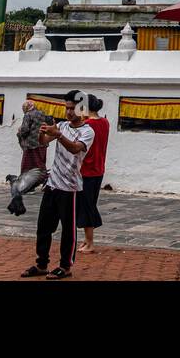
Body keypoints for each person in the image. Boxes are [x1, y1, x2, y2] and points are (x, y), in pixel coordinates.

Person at [22, 91, 95, 279]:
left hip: (70, 188)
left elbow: (75, 148)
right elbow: (44, 143)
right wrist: (42, 134)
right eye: (67, 108)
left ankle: (65, 266)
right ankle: (41, 264)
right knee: (43, 226)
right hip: (53, 183)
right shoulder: (61, 125)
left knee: (68, 230)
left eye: (73, 108)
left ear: (82, 109)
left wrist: (58, 135)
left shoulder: (87, 131)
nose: (69, 112)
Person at [8, 99, 53, 216]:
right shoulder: (42, 113)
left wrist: (19, 132)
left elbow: (25, 129)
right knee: (40, 164)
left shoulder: (28, 115)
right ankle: (42, 181)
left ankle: (31, 185)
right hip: (42, 143)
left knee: (28, 166)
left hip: (31, 145)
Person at [77, 95, 110, 253]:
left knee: (87, 205)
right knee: (89, 203)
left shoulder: (86, 125)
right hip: (99, 169)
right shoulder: (105, 122)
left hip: (86, 170)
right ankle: (86, 239)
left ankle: (90, 242)